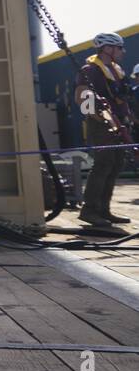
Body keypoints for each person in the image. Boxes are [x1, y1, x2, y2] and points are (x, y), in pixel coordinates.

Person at [75, 32, 134, 227]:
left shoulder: (116, 70)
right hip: (102, 124)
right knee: (103, 164)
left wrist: (128, 118)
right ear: (107, 49)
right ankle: (89, 210)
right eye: (119, 48)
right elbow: (82, 98)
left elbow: (122, 97)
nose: (122, 52)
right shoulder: (90, 70)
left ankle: (103, 210)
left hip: (119, 123)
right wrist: (101, 117)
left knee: (116, 164)